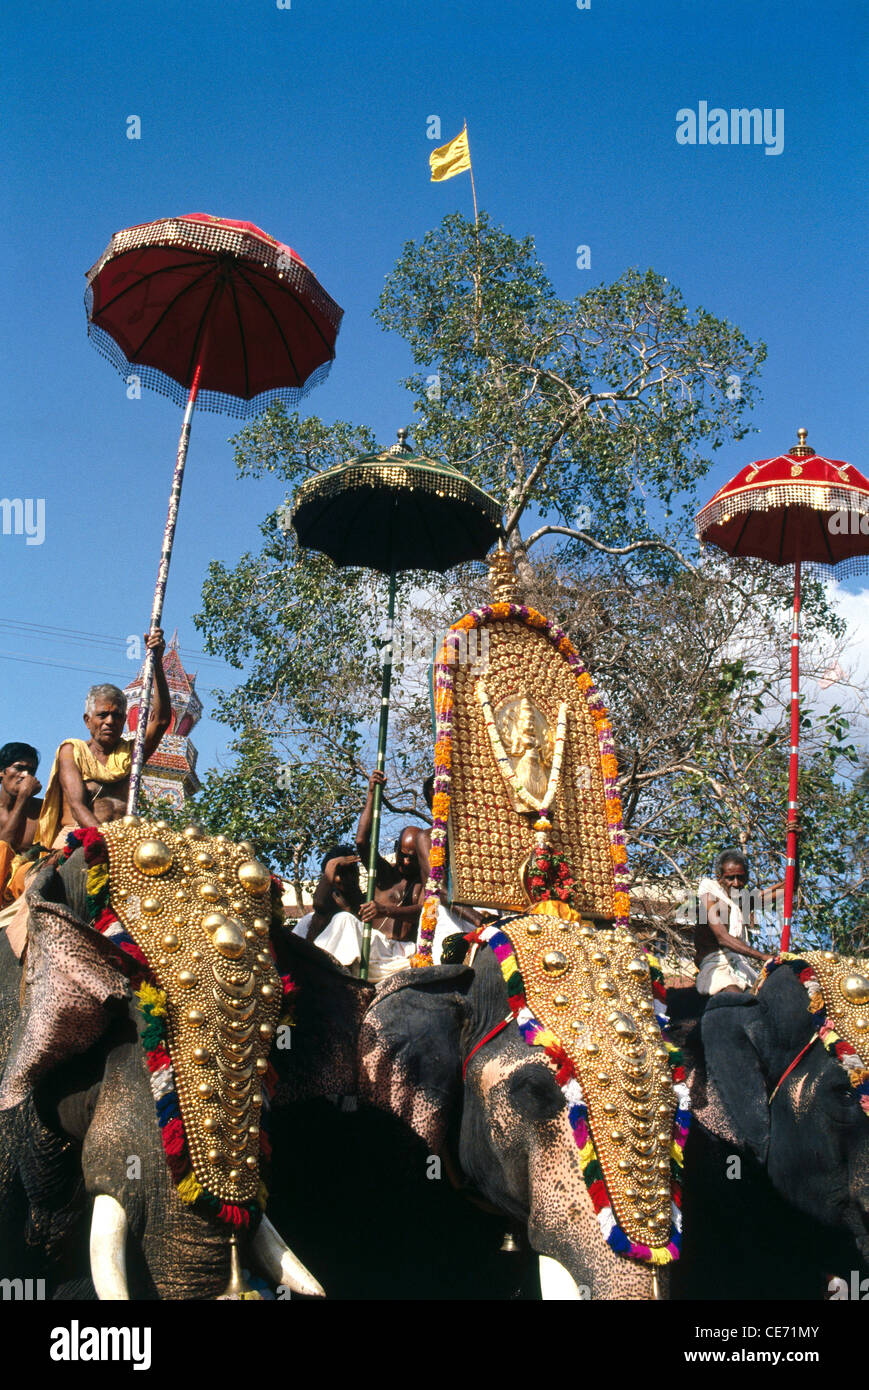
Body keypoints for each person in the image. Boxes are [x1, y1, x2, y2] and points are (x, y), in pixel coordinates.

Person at [36, 631, 171, 850]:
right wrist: (107, 843)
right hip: (78, 837)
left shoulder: (131, 753)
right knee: (43, 881)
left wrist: (156, 662)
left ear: (125, 720)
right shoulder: (72, 751)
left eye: (117, 716)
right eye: (102, 715)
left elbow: (163, 719)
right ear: (87, 721)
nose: (110, 721)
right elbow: (78, 806)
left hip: (123, 841)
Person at [304, 773, 424, 981]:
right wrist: (371, 794)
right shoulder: (385, 873)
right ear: (396, 850)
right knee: (343, 920)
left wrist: (384, 909)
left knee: (344, 921)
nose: (406, 862)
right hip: (368, 944)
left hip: (396, 954)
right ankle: (312, 973)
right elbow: (361, 841)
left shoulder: (424, 882)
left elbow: (421, 911)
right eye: (402, 856)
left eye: (412, 859)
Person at [694, 849, 777, 995]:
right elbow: (723, 938)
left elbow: (789, 887)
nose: (736, 883)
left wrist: (794, 841)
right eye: (730, 878)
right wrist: (764, 957)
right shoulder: (709, 898)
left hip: (742, 967)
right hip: (716, 966)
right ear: (719, 878)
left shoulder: (741, 901)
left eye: (741, 877)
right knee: (735, 997)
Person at [0, 742, 42, 904]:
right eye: (19, 768)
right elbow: (4, 847)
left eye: (31, 771)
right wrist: (22, 798)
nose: (25, 775)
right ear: (2, 772)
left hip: (23, 894)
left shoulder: (43, 811)